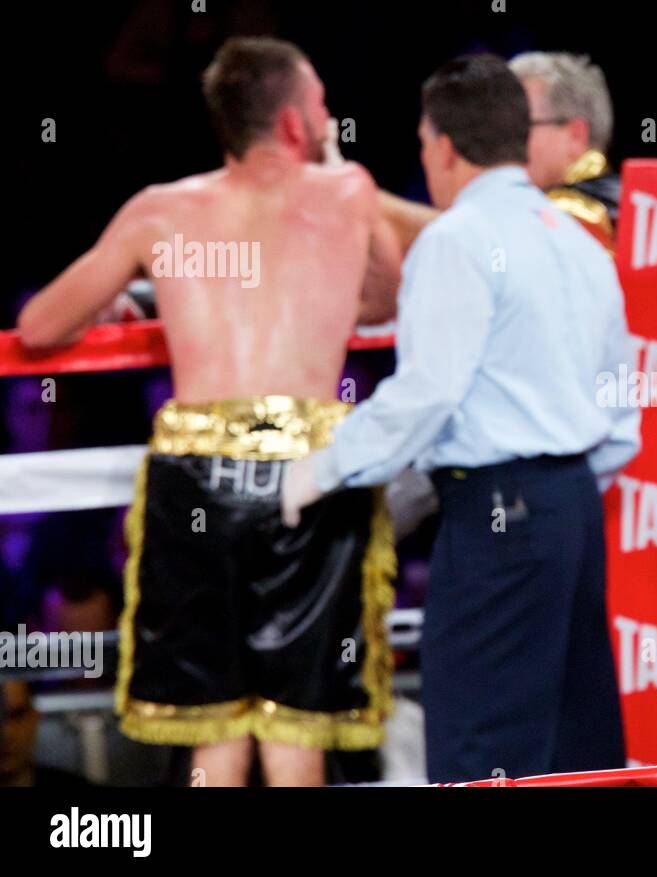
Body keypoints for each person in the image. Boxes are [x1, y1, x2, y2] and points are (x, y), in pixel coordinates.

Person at [17, 35, 403, 786]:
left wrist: (130, 297)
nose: (331, 117)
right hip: (309, 467)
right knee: (295, 727)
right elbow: (385, 299)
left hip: (198, 474)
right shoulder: (347, 192)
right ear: (294, 123)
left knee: (214, 725)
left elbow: (39, 326)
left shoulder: (160, 211)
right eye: (321, 102)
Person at [281, 53, 640, 783]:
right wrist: (557, 483)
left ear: (444, 146)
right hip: (573, 504)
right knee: (577, 750)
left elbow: (427, 393)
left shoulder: (456, 241)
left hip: (498, 509)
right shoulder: (576, 241)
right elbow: (621, 416)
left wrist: (318, 470)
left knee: (481, 749)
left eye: (422, 143)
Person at [509, 52, 620, 253]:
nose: (503, 141)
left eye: (520, 126)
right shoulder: (624, 205)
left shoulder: (573, 214)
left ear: (576, 136)